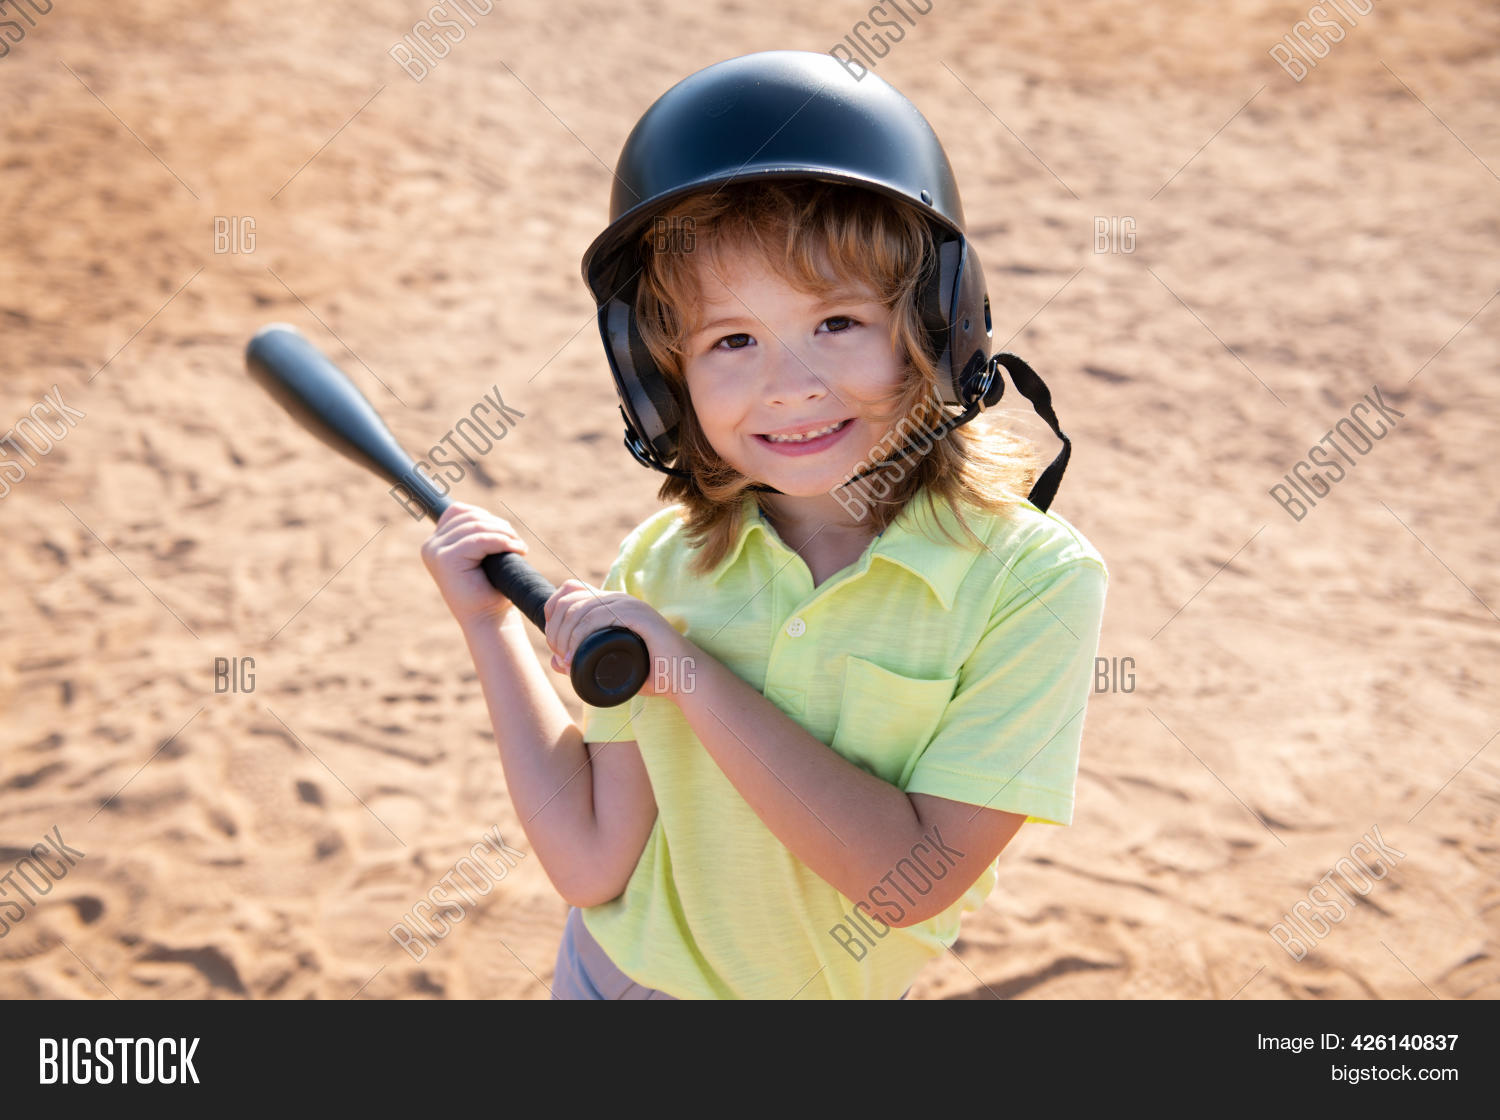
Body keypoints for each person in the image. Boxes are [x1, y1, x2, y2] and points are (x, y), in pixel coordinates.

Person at [421, 50, 1108, 999]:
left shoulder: (1032, 583)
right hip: (612, 980)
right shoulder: (665, 562)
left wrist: (689, 675)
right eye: (731, 340)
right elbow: (590, 866)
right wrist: (488, 624)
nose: (792, 385)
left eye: (837, 323)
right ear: (663, 383)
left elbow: (904, 882)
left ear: (939, 325)